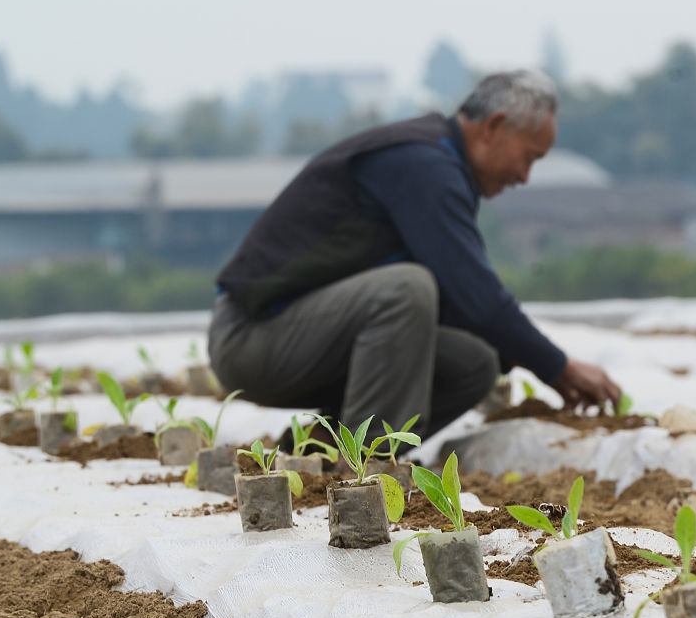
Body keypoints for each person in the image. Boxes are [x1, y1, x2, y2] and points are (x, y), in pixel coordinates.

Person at [208, 70, 623, 446]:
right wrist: (559, 367)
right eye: (529, 156)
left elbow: (465, 305)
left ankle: (317, 451)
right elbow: (476, 295)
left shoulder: (440, 165)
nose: (524, 176)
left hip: (305, 339)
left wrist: (518, 352)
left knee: (476, 363)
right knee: (405, 290)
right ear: (494, 127)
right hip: (252, 339)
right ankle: (364, 475)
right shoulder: (425, 165)